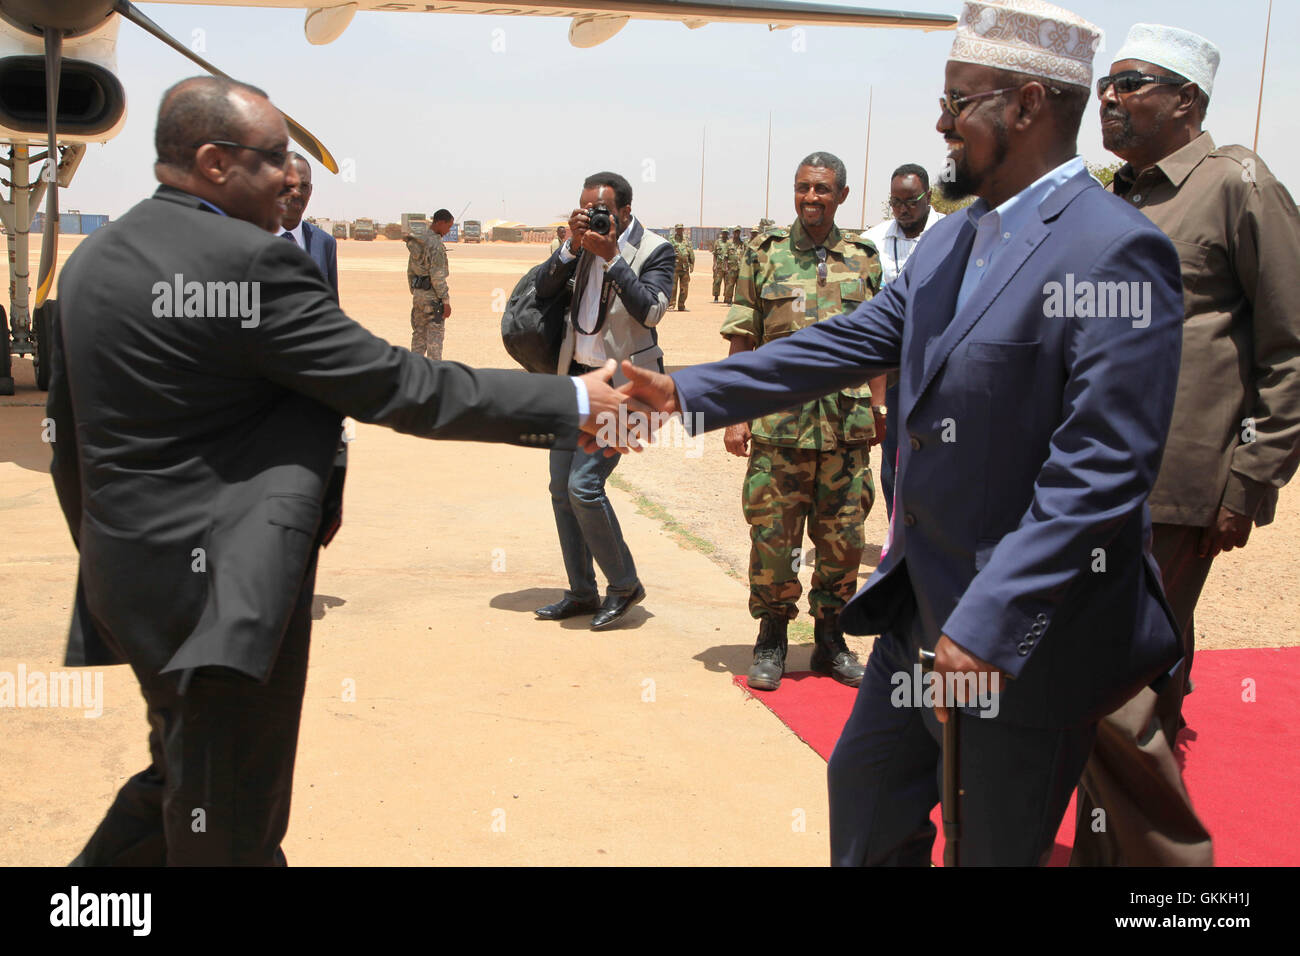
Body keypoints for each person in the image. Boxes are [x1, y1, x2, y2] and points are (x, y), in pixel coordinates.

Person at [611, 0, 1186, 866]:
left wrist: (992, 621)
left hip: (1021, 636)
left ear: (1027, 106)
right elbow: (846, 343)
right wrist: (683, 391)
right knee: (867, 802)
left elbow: (1102, 469)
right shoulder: (956, 240)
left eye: (958, 102)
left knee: (989, 847)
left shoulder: (1115, 251)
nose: (942, 123)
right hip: (921, 608)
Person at [48, 76, 629, 866]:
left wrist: (110, 556)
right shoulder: (248, 264)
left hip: (128, 581)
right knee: (232, 824)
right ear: (214, 162)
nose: (292, 176)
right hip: (222, 599)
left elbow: (67, 441)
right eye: (274, 158)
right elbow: (402, 385)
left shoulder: (95, 257)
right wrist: (574, 399)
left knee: (185, 778)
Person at [1072, 23, 1300, 867]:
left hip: (1177, 483)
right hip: (1092, 478)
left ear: (1187, 100)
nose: (1110, 98)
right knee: (1132, 679)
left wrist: (1249, 481)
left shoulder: (1238, 183)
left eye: (1132, 84)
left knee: (1116, 682)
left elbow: (1290, 347)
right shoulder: (1112, 196)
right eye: (1107, 83)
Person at [721, 151, 886, 691]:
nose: (810, 197)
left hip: (845, 426)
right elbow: (742, 339)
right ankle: (771, 635)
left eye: (821, 189)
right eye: (802, 187)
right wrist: (735, 415)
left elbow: (881, 345)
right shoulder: (764, 254)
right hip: (779, 426)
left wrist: (880, 408)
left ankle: (831, 638)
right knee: (774, 536)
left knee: (843, 539)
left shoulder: (863, 258)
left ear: (842, 195)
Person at [532, 171, 674, 630]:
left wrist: (613, 258)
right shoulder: (577, 247)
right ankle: (581, 591)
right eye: (586, 208)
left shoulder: (655, 249)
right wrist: (570, 248)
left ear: (625, 212)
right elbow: (542, 291)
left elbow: (651, 310)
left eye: (603, 211)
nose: (593, 217)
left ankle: (624, 585)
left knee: (584, 487)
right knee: (560, 489)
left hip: (622, 389)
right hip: (574, 380)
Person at [865, 163, 946, 519]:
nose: (902, 209)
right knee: (893, 455)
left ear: (928, 196)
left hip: (942, 365)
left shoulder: (954, 234)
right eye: (896, 202)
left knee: (942, 453)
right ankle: (897, 532)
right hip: (895, 368)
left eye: (911, 201)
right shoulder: (873, 241)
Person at [278, 152, 339, 297]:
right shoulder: (246, 241)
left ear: (310, 191)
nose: (297, 193)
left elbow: (330, 304)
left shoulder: (325, 244)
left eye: (303, 186)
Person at [406, 208, 454, 360]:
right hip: (433, 299)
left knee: (418, 338)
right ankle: (434, 372)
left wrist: (417, 292)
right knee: (435, 341)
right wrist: (445, 301)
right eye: (448, 226)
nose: (448, 231)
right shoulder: (436, 245)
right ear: (440, 223)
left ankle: (414, 371)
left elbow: (410, 271)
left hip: (419, 296)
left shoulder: (418, 241)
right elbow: (437, 276)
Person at [669, 223, 695, 311]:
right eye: (678, 229)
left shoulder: (687, 240)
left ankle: (681, 305)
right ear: (676, 230)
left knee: (684, 288)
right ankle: (671, 305)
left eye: (681, 229)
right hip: (674, 268)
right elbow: (667, 253)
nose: (680, 230)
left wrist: (692, 264)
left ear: (683, 230)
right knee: (673, 288)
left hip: (685, 268)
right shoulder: (671, 240)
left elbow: (691, 252)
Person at [722, 226, 744, 304]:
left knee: (739, 286)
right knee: (730, 285)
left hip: (740, 268)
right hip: (731, 268)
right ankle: (729, 300)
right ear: (733, 233)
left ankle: (737, 301)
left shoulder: (742, 244)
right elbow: (725, 257)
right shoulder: (729, 244)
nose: (737, 233)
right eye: (736, 232)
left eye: (738, 232)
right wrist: (725, 267)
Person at [711, 229, 731, 302]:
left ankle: (726, 297)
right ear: (722, 233)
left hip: (728, 266)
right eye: (723, 233)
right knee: (717, 281)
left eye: (726, 233)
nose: (725, 234)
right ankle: (716, 297)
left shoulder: (730, 243)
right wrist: (714, 264)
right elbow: (715, 254)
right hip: (719, 266)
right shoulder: (717, 242)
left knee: (728, 282)